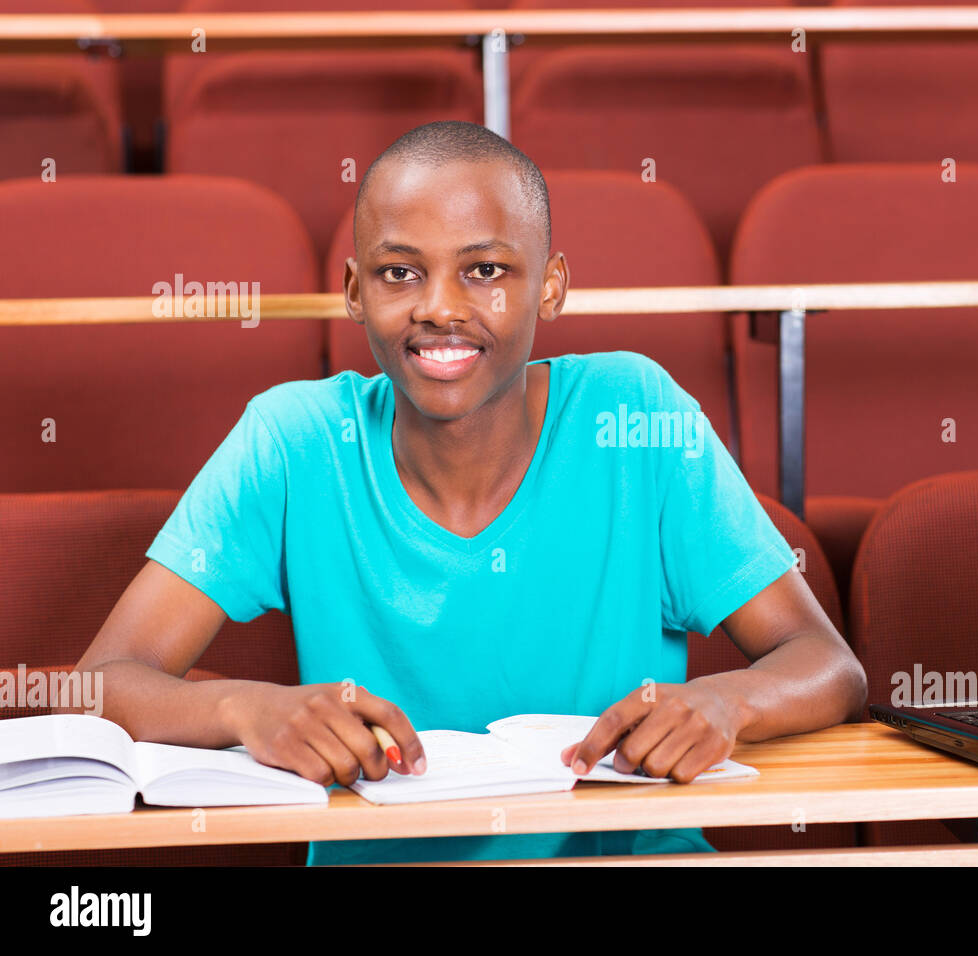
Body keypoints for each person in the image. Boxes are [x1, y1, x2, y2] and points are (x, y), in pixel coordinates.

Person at [68, 121, 866, 863]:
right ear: (353, 290)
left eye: (485, 271)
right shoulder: (293, 440)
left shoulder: (636, 416)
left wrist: (727, 704)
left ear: (550, 288)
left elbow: (828, 666)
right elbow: (100, 684)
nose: (440, 308)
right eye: (398, 272)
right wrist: (244, 711)